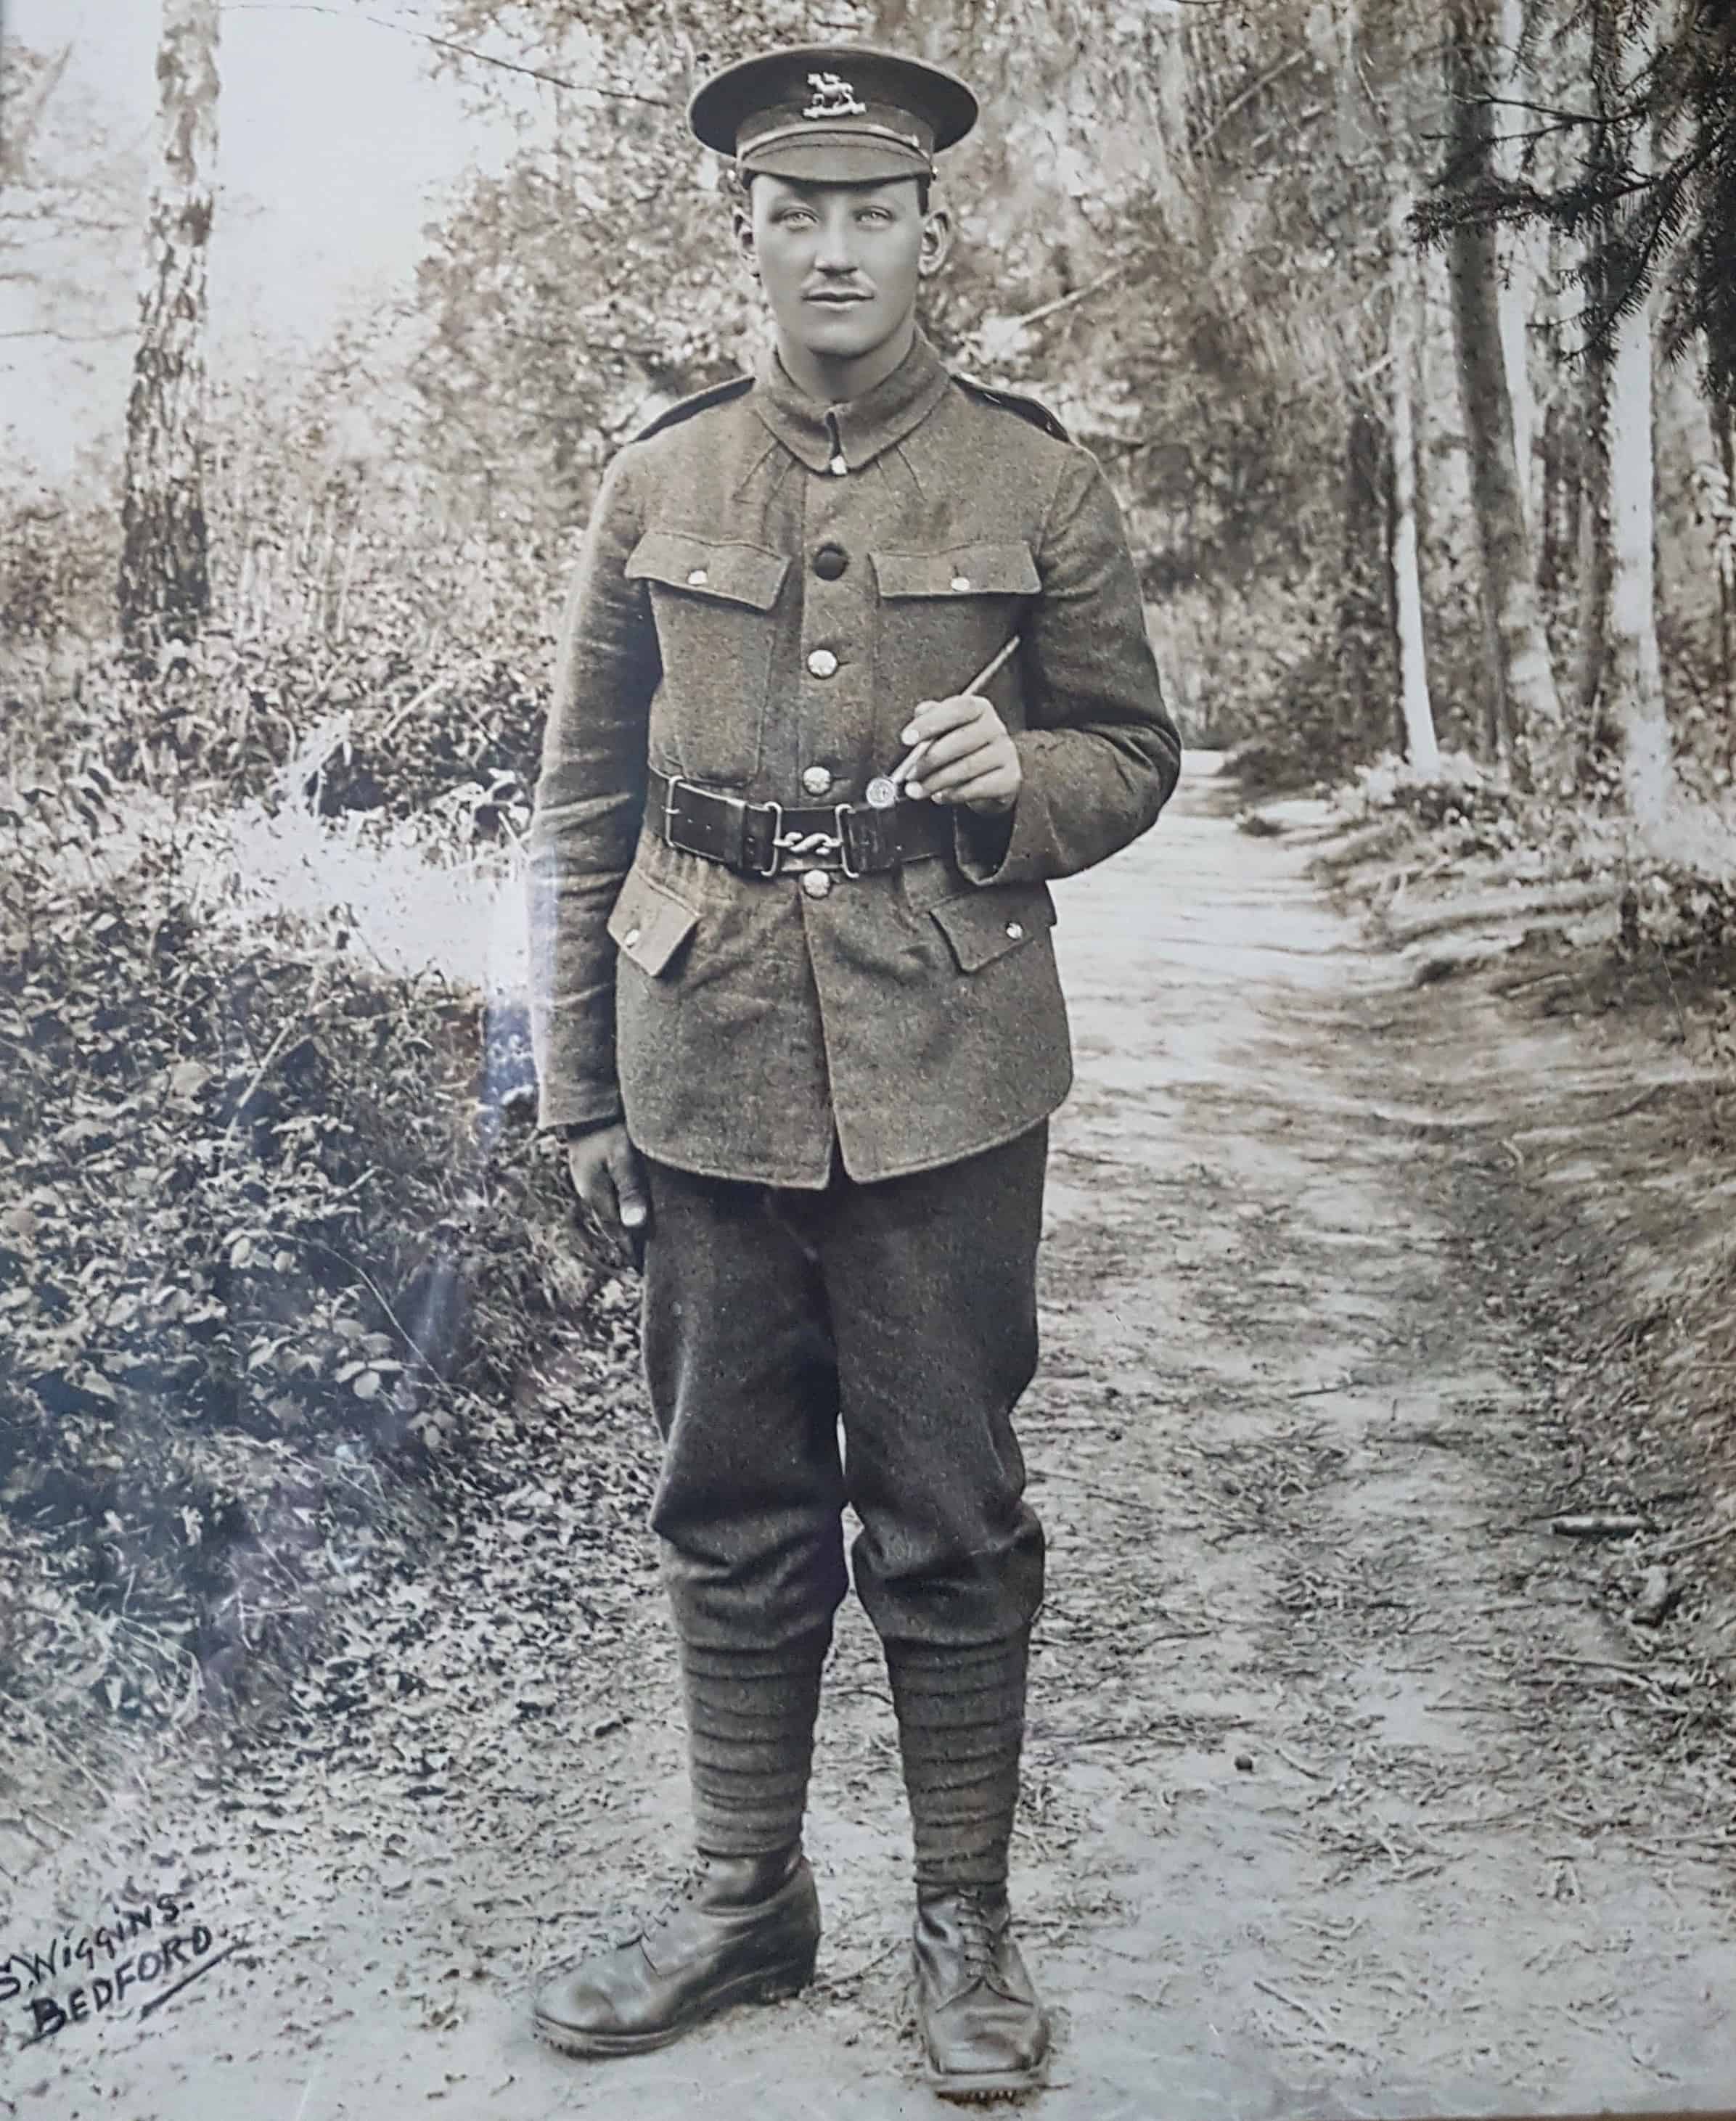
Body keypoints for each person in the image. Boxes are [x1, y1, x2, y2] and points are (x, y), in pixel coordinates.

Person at [524, 40, 1182, 2101]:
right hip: (698, 1037)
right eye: (792, 214)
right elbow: (576, 806)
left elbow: (1136, 752)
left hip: (950, 1050)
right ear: (747, 229)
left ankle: (961, 1923)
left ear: (924, 234)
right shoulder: (655, 480)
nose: (831, 248)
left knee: (950, 1500)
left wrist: (1028, 780)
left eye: (867, 214)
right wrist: (576, 1085)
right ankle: (744, 1890)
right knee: (724, 1486)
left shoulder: (1037, 478)